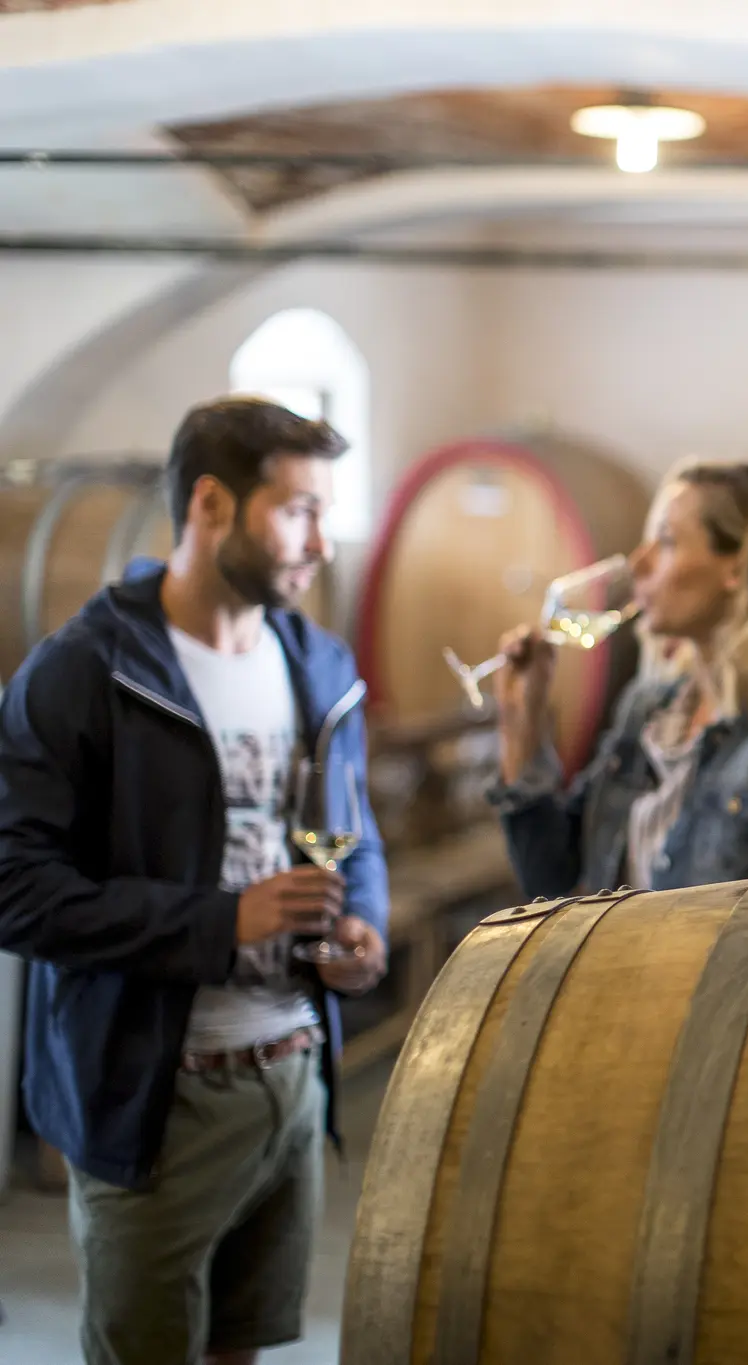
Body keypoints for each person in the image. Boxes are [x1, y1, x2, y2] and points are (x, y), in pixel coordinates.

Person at [0, 397, 390, 1365]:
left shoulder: (319, 665)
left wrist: (363, 930)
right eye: (298, 511)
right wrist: (219, 924)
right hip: (155, 1100)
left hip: (292, 1082)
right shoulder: (84, 672)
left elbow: (359, 838)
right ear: (212, 505)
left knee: (243, 1350)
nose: (321, 544)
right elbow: (16, 889)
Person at [491, 455, 748, 894]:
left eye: (667, 540)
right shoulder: (651, 709)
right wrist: (521, 725)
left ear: (739, 565)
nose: (639, 563)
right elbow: (553, 882)